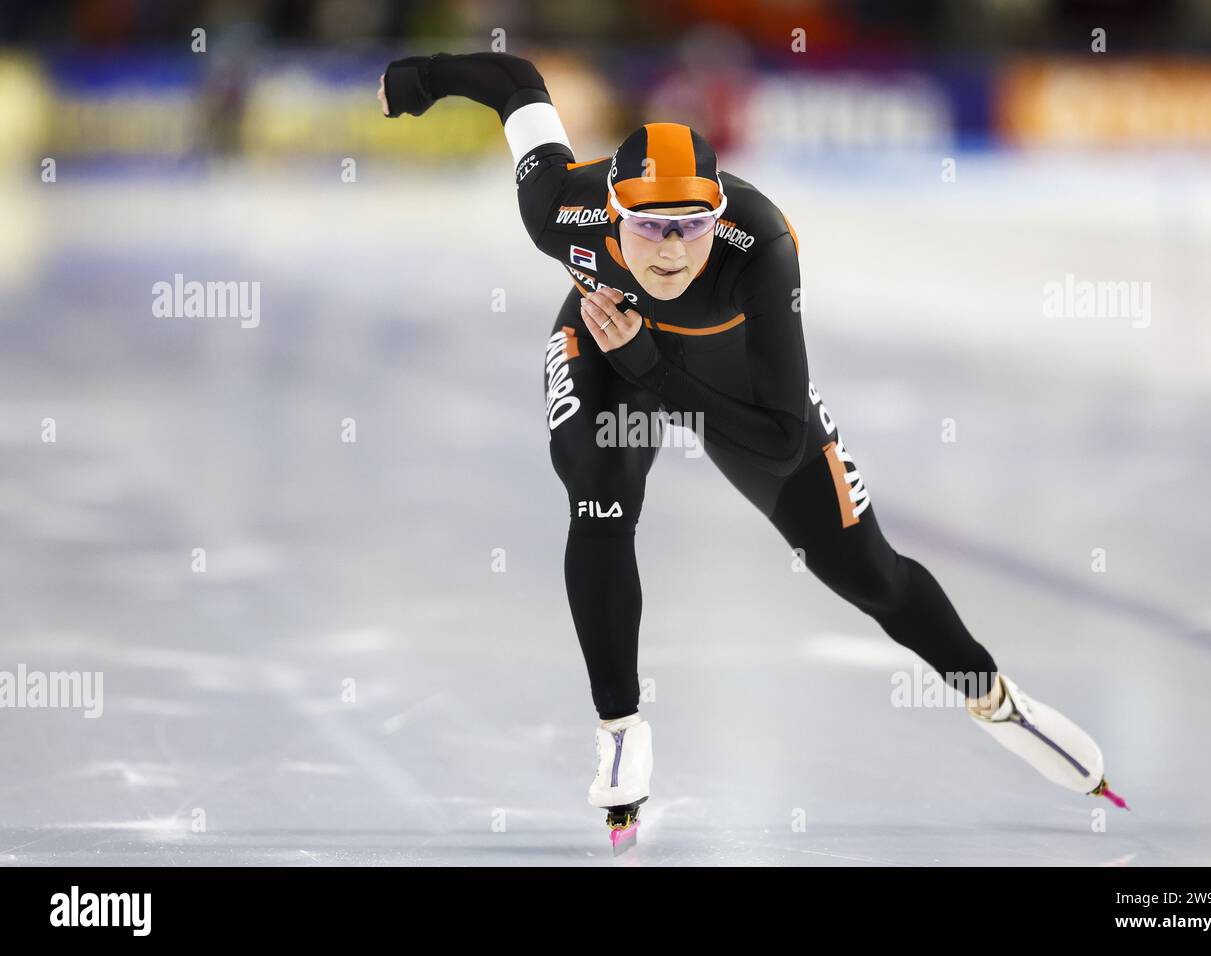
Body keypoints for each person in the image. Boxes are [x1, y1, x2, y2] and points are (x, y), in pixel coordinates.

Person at [377, 52, 1126, 846]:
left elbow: (779, 437)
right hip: (605, 348)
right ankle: (620, 728)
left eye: (691, 226)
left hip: (728, 392)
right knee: (598, 490)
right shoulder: (559, 207)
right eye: (648, 226)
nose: (670, 249)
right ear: (612, 212)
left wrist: (653, 366)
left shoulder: (760, 245)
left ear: (717, 213)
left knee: (866, 572)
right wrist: (422, 78)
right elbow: (514, 83)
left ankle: (993, 696)